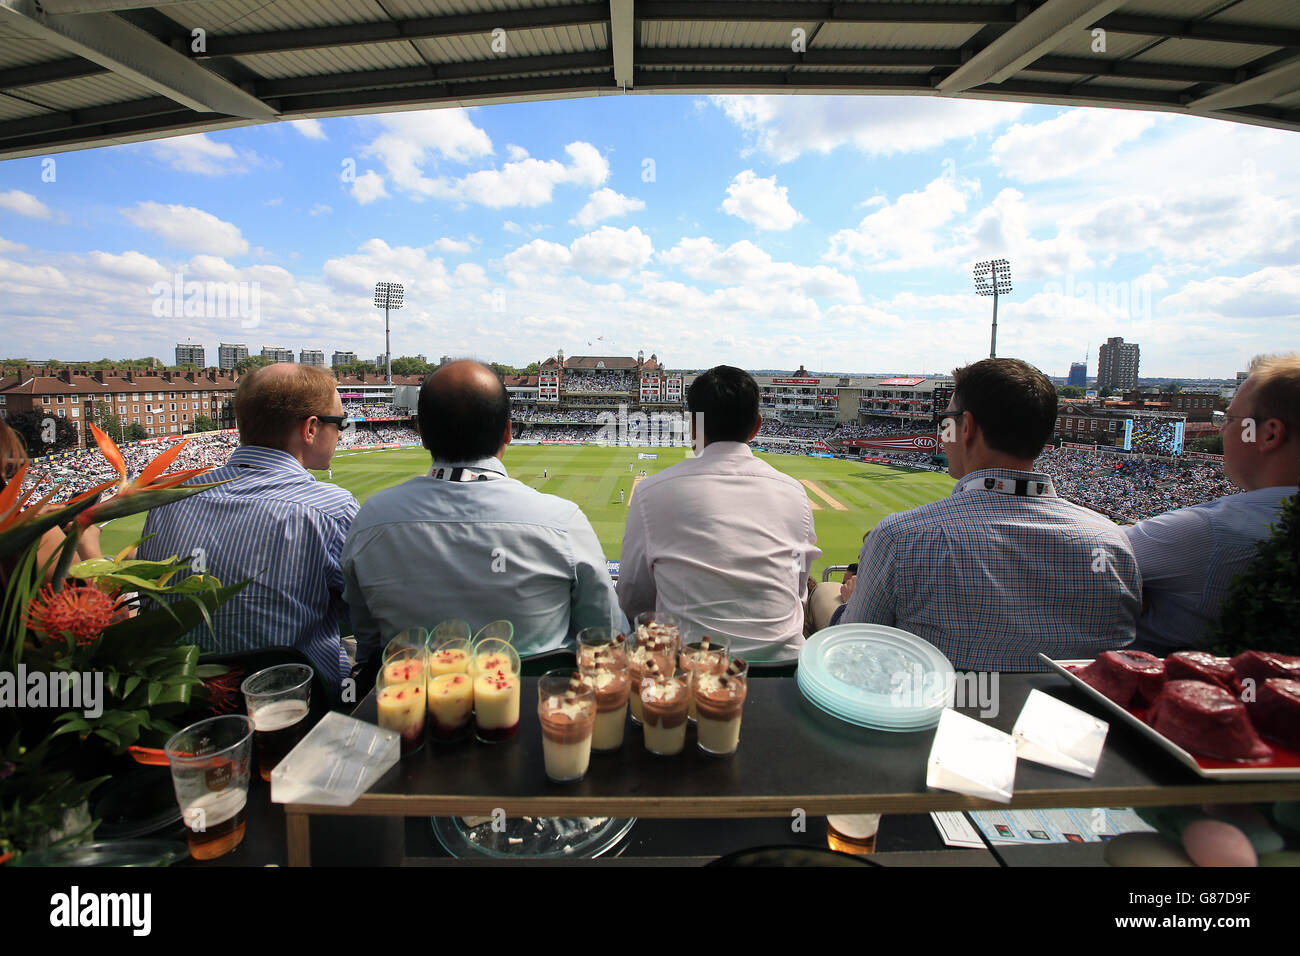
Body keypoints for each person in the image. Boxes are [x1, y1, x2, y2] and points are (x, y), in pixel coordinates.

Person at [839, 358, 1140, 671]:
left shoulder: (902, 536)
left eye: (946, 421)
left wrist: (847, 603)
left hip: (937, 714)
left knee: (829, 597)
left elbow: (851, 653)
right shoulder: (1113, 542)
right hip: (1074, 714)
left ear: (966, 427)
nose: (943, 432)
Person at [341, 361, 624, 669]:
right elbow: (609, 638)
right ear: (508, 431)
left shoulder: (370, 520)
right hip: (539, 710)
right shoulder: (562, 523)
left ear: (421, 433)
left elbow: (369, 646)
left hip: (407, 709)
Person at [138, 364, 359, 695]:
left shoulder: (166, 503)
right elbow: (370, 619)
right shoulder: (330, 510)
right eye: (338, 423)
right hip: (310, 710)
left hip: (181, 712)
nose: (340, 432)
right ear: (311, 428)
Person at [617, 365, 821, 661]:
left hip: (688, 674)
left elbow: (634, 601)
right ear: (757, 426)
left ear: (693, 425)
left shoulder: (650, 492)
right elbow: (798, 588)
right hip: (787, 668)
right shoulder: (794, 493)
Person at [1125, 354, 1299, 653]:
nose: (1222, 430)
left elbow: (1084, 558)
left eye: (1229, 419)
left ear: (1269, 433)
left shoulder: (1204, 530)